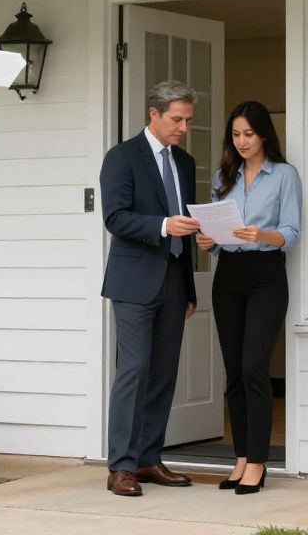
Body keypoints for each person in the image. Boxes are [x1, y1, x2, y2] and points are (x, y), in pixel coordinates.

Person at [100, 80, 201, 497]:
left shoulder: (187, 162)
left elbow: (188, 230)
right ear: (154, 113)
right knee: (134, 370)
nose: (183, 127)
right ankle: (120, 466)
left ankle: (147, 458)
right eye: (176, 119)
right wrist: (162, 225)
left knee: (163, 374)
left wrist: (190, 289)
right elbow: (116, 218)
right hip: (133, 281)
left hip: (175, 281)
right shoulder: (122, 157)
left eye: (188, 120)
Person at [196, 101, 300, 495]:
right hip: (229, 277)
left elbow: (291, 231)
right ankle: (240, 457)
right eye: (236, 134)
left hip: (266, 275)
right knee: (234, 372)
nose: (241, 141)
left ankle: (258, 460)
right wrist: (207, 240)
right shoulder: (226, 176)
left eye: (249, 134)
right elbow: (214, 238)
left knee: (254, 366)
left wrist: (262, 235)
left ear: (264, 136)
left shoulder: (285, 175)